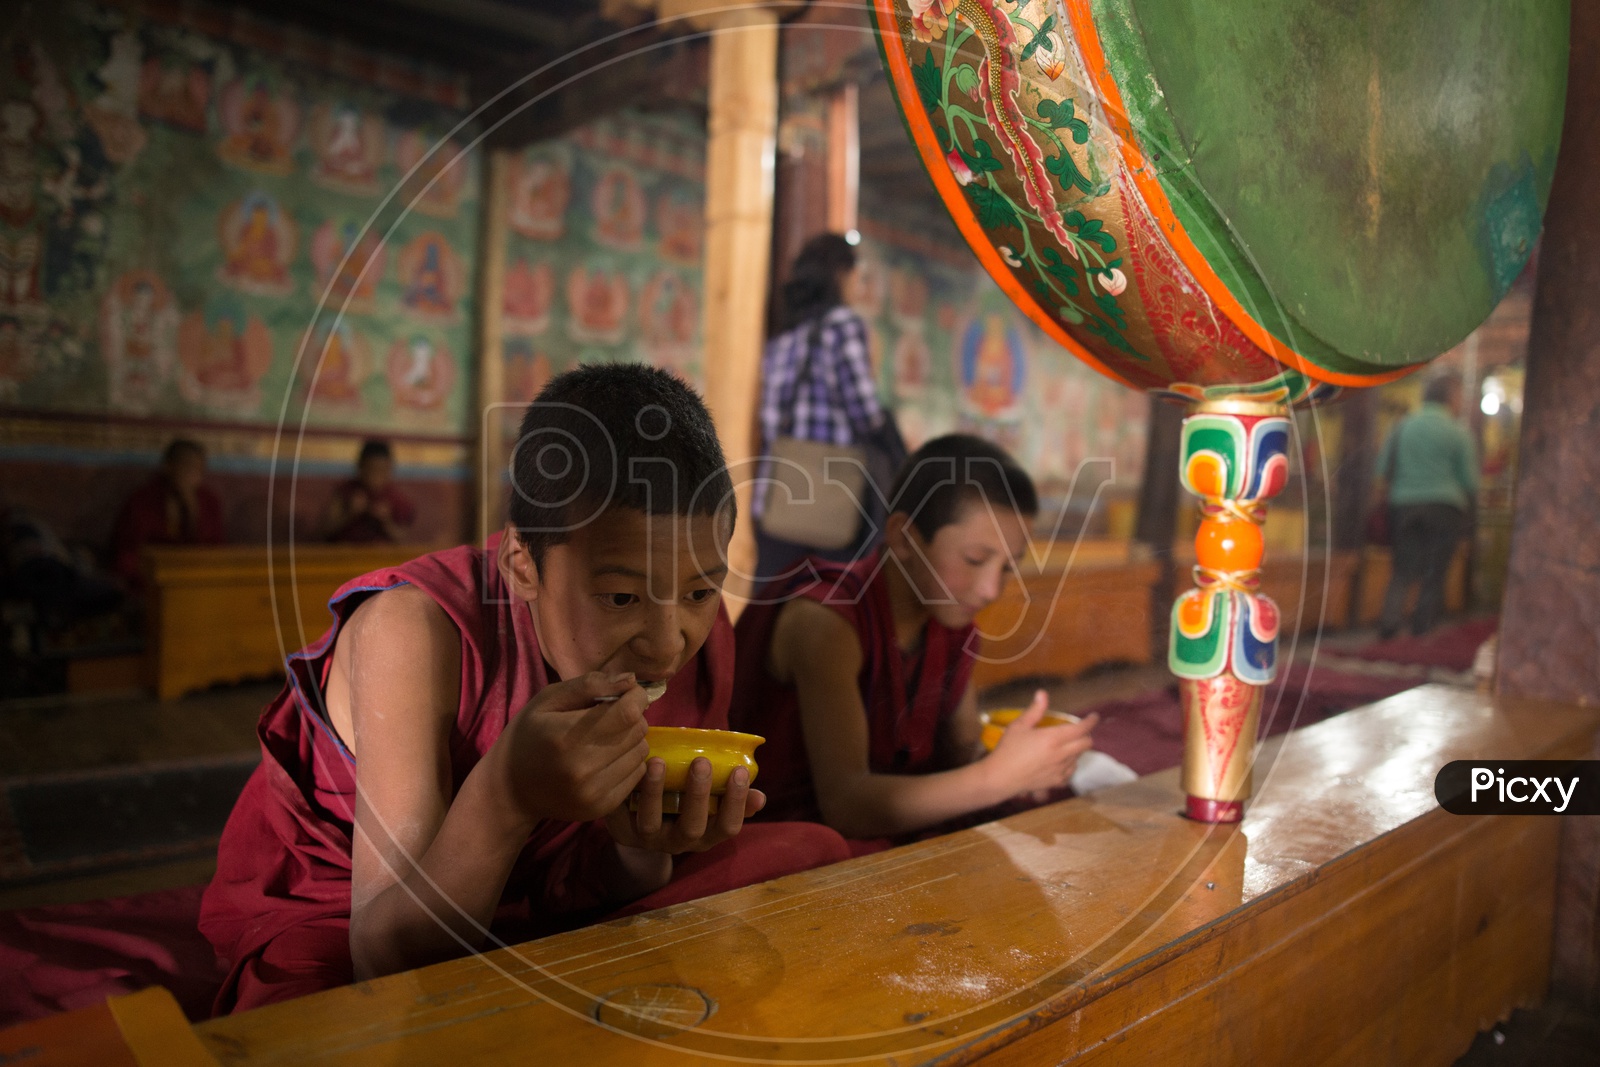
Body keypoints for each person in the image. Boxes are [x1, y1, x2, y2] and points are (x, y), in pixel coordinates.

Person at [200, 365, 851, 1013]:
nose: (667, 643)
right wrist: (506, 797)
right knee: (333, 1031)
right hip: (357, 917)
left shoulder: (699, 644)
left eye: (701, 592)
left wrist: (644, 847)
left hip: (549, 896)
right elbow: (383, 952)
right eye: (621, 597)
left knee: (812, 854)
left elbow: (611, 874)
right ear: (522, 563)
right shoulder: (412, 630)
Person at [730, 434, 1099, 844]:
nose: (991, 589)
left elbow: (961, 753)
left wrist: (1027, 764)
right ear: (905, 538)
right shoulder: (826, 623)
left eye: (1008, 567)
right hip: (790, 842)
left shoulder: (950, 623)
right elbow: (846, 806)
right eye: (975, 559)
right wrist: (997, 778)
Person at [754, 233, 899, 585]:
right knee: (831, 597)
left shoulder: (783, 338)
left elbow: (770, 422)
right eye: (856, 276)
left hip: (778, 499)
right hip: (832, 500)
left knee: (776, 597)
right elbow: (865, 412)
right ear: (841, 274)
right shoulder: (843, 326)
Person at [1373, 373, 1479, 638]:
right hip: (1445, 507)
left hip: (1404, 504)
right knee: (1435, 571)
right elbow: (1470, 481)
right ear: (1451, 398)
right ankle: (1421, 629)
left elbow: (1382, 468)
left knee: (1402, 568)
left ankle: (1389, 624)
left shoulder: (1402, 427)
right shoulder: (1458, 432)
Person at [109, 439, 225, 586]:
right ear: (168, 466)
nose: (192, 475)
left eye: (198, 469)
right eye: (186, 466)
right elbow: (127, 553)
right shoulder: (144, 499)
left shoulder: (208, 501)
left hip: (195, 577)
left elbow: (216, 549)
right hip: (152, 576)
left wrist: (193, 513)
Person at [321, 439, 415, 544]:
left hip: (381, 553)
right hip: (345, 551)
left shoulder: (397, 499)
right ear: (360, 467)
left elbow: (404, 542)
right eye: (370, 469)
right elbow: (322, 532)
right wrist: (349, 513)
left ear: (389, 469)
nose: (375, 477)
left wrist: (386, 521)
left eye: (381, 470)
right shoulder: (345, 492)